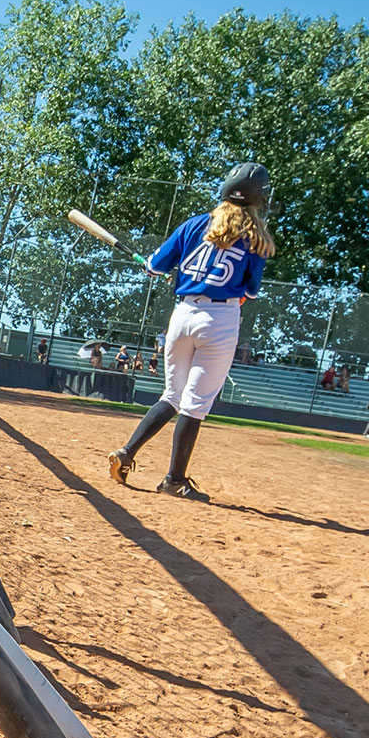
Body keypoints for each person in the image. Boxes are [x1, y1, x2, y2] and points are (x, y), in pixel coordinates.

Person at [107, 163, 274, 500]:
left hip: (182, 315)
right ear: (259, 199)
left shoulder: (194, 224)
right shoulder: (255, 236)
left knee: (173, 395)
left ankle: (127, 453)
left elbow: (154, 265)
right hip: (220, 319)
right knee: (195, 403)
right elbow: (249, 291)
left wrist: (166, 271)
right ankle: (174, 480)